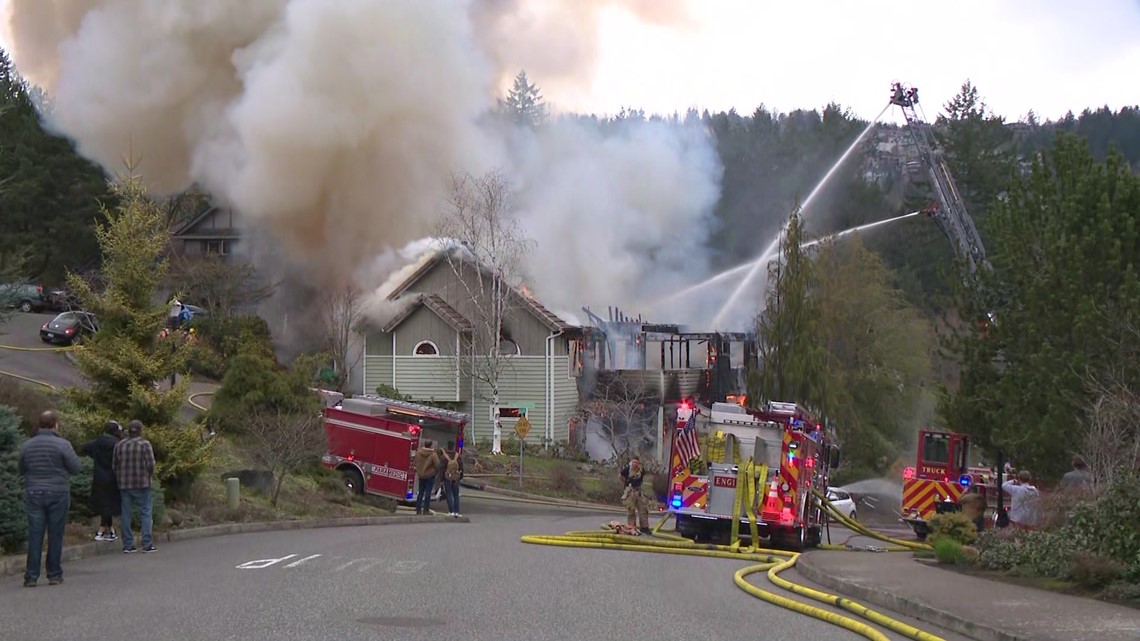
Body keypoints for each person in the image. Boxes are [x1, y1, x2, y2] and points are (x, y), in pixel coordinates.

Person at [18, 410, 81, 587]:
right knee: (55, 533)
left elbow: (21, 469)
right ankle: (54, 574)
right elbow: (75, 467)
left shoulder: (27, 445)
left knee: (35, 534)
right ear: (55, 425)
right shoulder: (63, 444)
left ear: (39, 425)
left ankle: (31, 576)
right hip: (58, 491)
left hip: (33, 491)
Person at [113, 420, 157, 553]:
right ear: (140, 431)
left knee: (126, 513)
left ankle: (128, 544)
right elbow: (151, 464)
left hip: (125, 484)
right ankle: (147, 543)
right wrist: (149, 475)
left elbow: (114, 465)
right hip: (142, 483)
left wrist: (121, 476)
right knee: (146, 512)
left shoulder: (120, 445)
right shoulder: (145, 444)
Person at [81, 421, 124, 542]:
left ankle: (110, 530)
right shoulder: (118, 444)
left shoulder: (96, 443)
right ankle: (101, 531)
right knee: (109, 504)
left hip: (99, 476)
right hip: (114, 477)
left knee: (104, 503)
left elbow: (84, 448)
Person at [620, 455, 650, 534]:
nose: (635, 464)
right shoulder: (627, 469)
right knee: (631, 510)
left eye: (636, 462)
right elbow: (621, 476)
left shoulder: (641, 470)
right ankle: (631, 527)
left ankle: (644, 527)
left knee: (643, 509)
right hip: (630, 492)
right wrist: (626, 484)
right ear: (631, 462)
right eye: (634, 462)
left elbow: (644, 474)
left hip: (638, 492)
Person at [413, 440, 440, 515]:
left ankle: (418, 509)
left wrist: (419, 471)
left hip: (421, 475)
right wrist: (435, 472)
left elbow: (415, 462)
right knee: (428, 493)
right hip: (430, 476)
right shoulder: (433, 455)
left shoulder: (418, 452)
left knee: (420, 492)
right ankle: (426, 510)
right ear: (431, 445)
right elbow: (437, 465)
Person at [441, 443, 464, 518]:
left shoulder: (444, 457)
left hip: (447, 478)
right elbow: (461, 467)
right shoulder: (458, 456)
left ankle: (451, 511)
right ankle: (456, 511)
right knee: (456, 495)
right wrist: (460, 476)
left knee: (449, 494)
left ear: (447, 448)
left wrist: (442, 479)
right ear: (454, 447)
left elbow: (442, 469)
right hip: (456, 478)